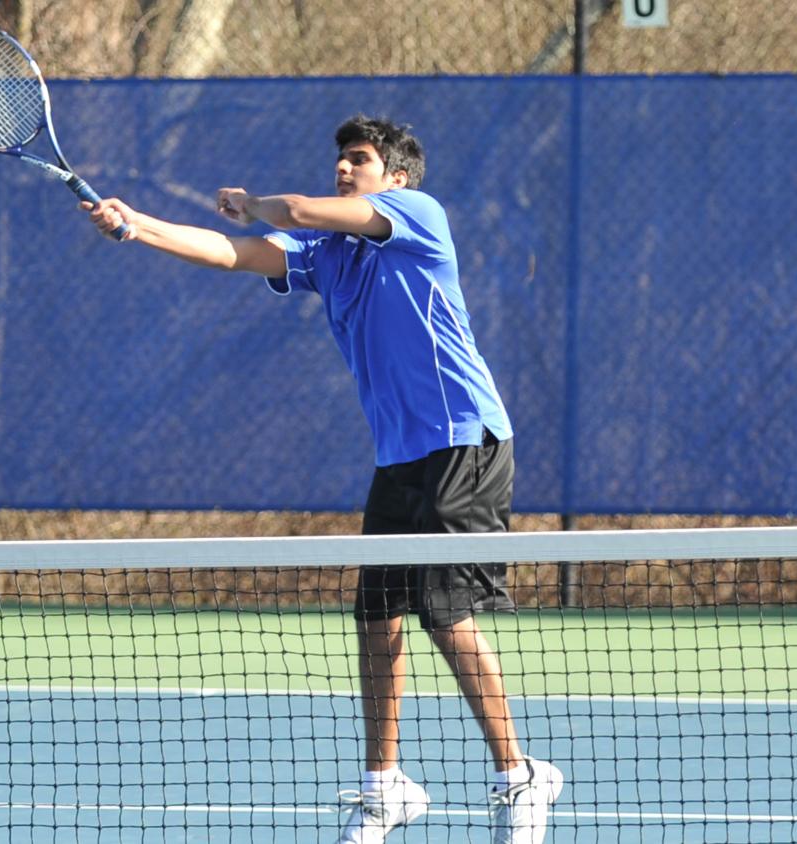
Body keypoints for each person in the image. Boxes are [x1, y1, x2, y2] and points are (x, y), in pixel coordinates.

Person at [84, 115, 564, 844]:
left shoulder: (420, 216)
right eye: (340, 159)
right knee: (376, 619)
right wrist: (137, 225)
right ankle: (385, 786)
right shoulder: (325, 254)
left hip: (465, 439)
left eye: (359, 160)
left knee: (442, 610)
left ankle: (518, 776)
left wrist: (255, 201)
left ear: (395, 179)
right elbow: (230, 253)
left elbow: (294, 211)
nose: (344, 168)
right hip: (400, 455)